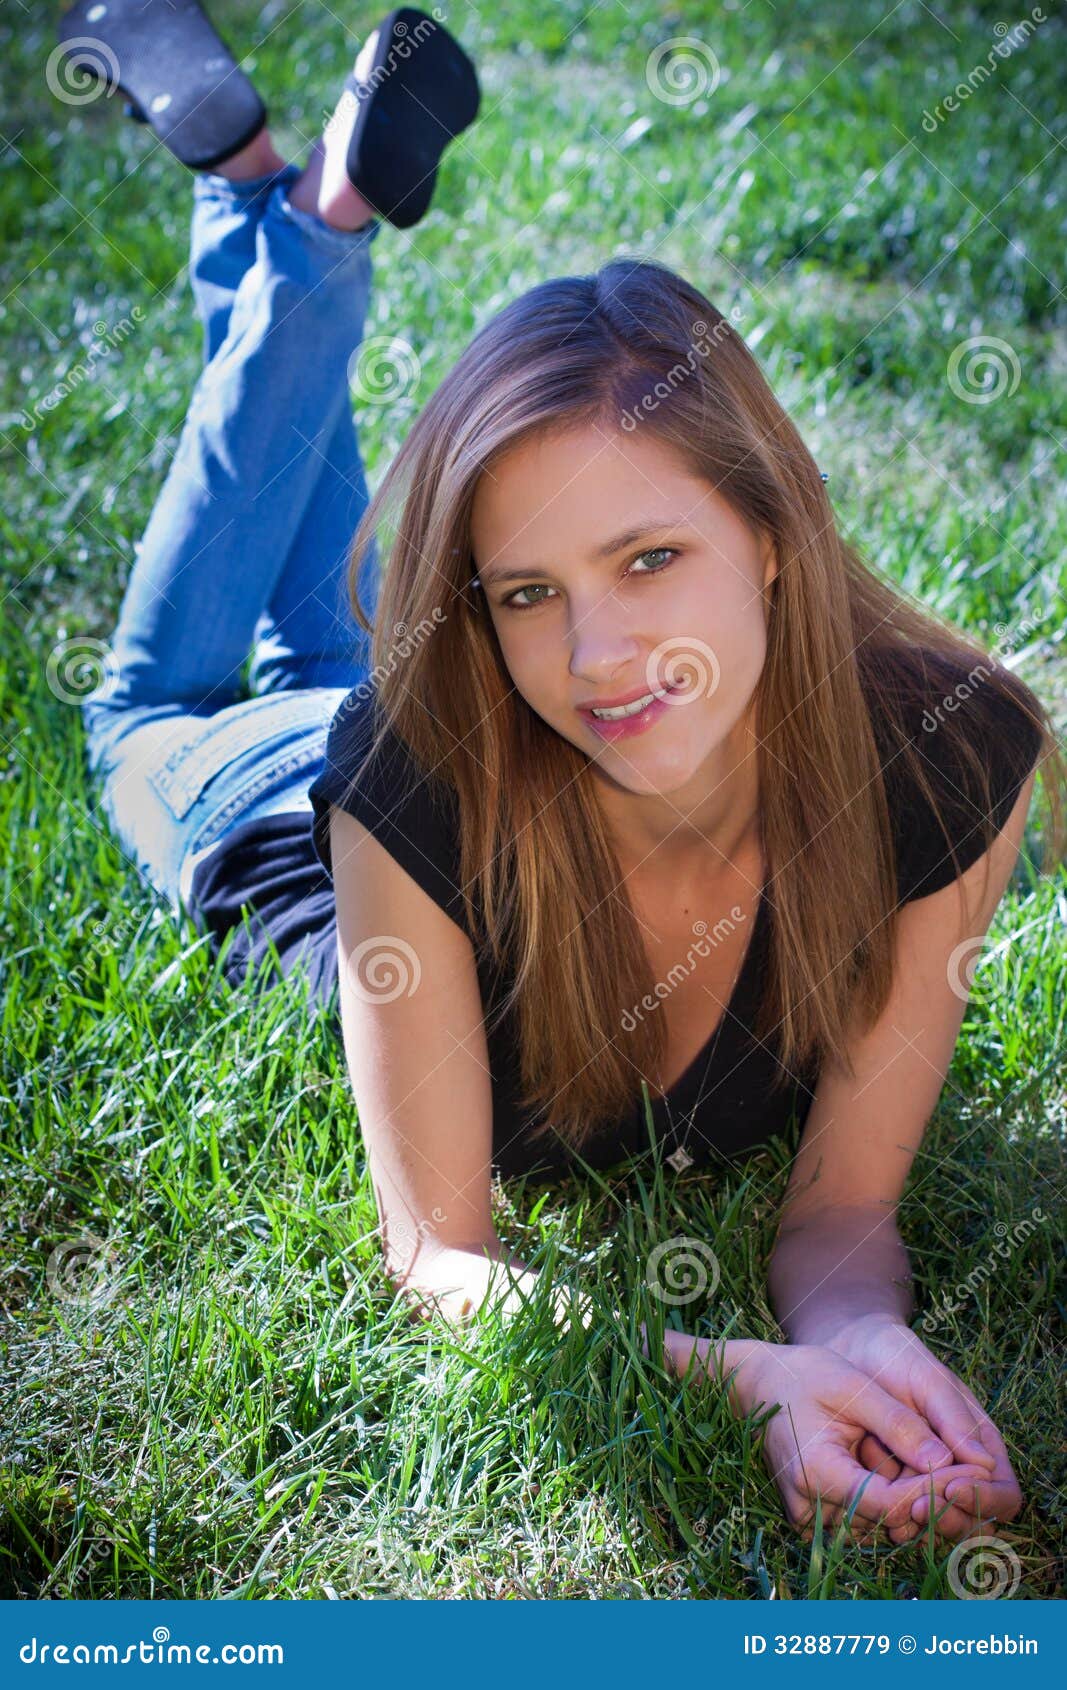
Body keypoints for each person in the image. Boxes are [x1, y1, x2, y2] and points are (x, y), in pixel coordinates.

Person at [62, 1, 1065, 1547]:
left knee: (306, 636)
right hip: (273, 803)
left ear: (776, 542)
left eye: (650, 558)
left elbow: (845, 1213)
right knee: (145, 701)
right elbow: (439, 1253)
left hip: (403, 716)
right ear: (478, 604)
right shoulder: (416, 765)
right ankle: (294, 206)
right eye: (526, 588)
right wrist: (737, 1373)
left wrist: (860, 1342)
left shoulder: (947, 766)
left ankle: (282, 199)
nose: (596, 655)